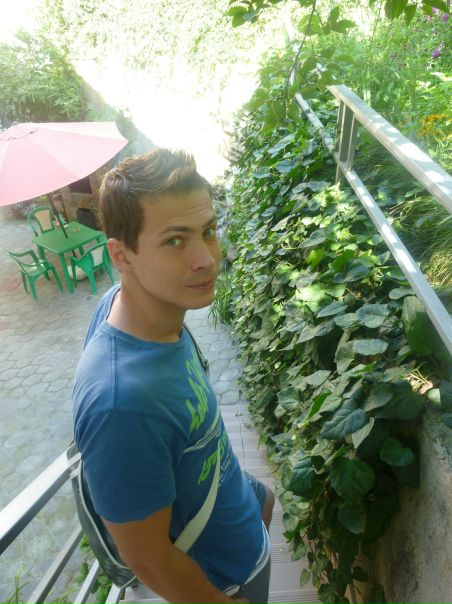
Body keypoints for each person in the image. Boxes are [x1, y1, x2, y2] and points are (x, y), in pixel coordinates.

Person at [72, 148, 274, 604]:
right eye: (175, 241)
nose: (206, 259)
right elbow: (149, 561)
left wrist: (256, 499)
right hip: (224, 584)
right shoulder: (122, 406)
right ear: (122, 255)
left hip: (237, 517)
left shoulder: (130, 306)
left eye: (208, 232)